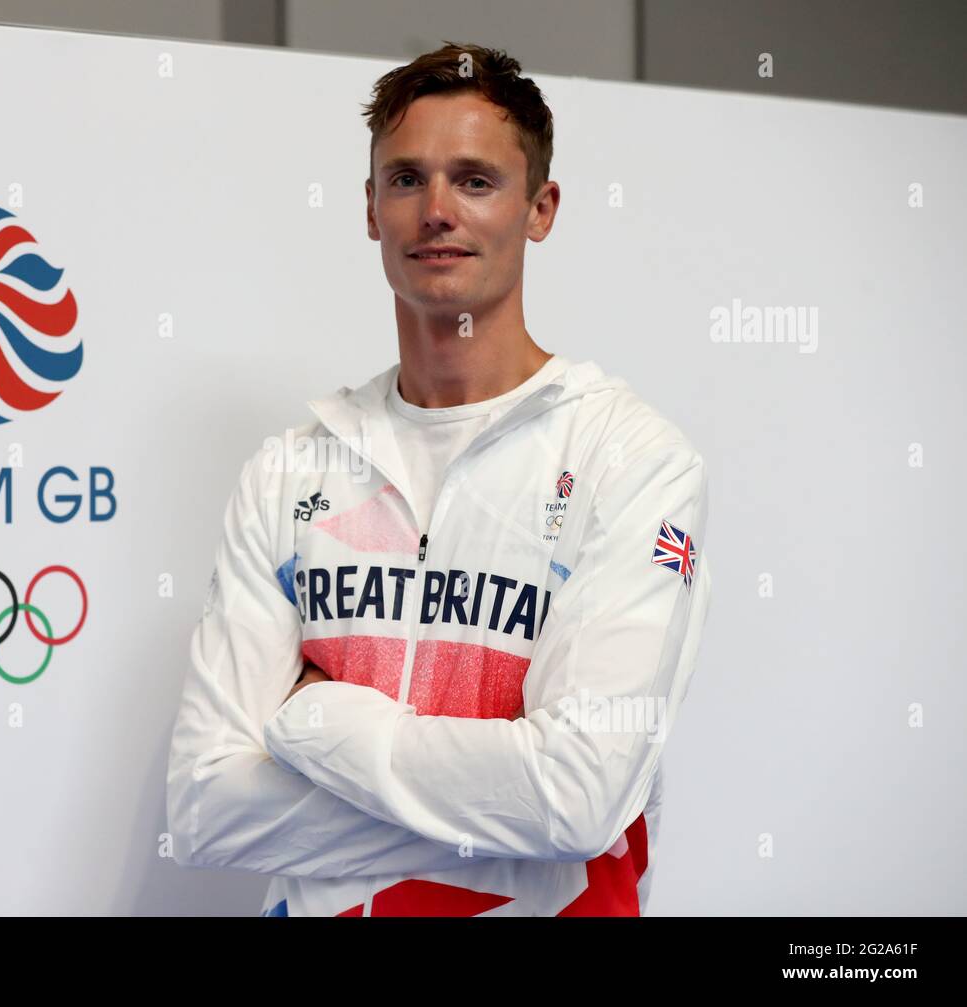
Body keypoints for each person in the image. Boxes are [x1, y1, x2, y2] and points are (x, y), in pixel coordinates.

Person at [165, 41, 713, 917]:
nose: (437, 210)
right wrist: (506, 816)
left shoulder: (629, 457)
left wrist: (315, 721)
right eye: (407, 179)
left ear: (541, 209)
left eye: (476, 180)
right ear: (372, 209)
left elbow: (575, 799)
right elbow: (204, 809)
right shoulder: (290, 468)